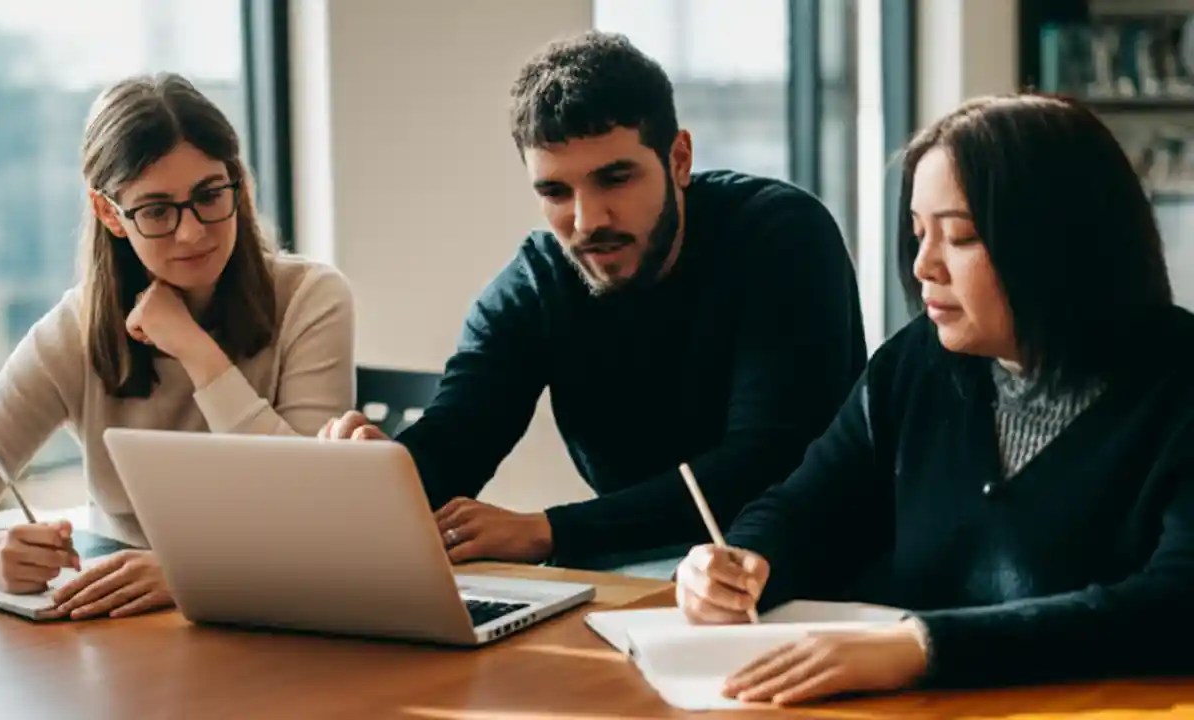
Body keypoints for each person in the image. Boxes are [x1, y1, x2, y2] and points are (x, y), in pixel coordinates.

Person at [675, 94, 1194, 705]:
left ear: (1061, 241)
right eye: (919, 233)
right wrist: (739, 564)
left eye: (962, 237)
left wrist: (922, 646)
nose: (923, 265)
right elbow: (803, 506)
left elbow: (1173, 606)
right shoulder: (914, 364)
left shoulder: (1176, 386)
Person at [320, 32, 865, 568]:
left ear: (679, 159)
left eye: (615, 178)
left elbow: (766, 465)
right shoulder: (538, 283)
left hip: (806, 571)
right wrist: (382, 472)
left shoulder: (781, 233)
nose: (587, 222)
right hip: (633, 577)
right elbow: (459, 437)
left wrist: (550, 531)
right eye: (555, 192)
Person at [0, 74, 355, 620]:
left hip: (275, 621)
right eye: (156, 210)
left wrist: (195, 350)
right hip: (124, 634)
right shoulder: (75, 330)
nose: (191, 233)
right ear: (109, 215)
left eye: (209, 195)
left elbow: (313, 506)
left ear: (237, 185)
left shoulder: (311, 298)